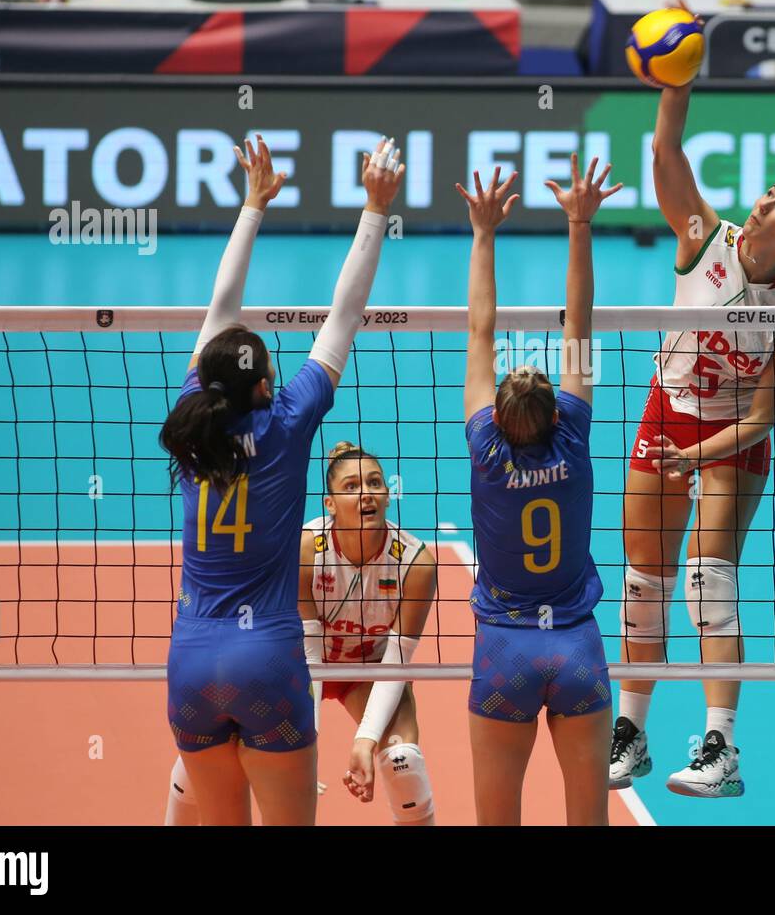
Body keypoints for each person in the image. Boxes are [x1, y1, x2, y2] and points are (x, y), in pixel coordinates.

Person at [611, 0, 775, 798]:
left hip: (733, 439)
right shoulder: (701, 236)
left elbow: (764, 414)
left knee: (710, 580)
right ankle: (630, 732)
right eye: (769, 192)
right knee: (644, 581)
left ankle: (720, 747)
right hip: (664, 413)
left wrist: (696, 456)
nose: (764, 204)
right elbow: (666, 147)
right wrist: (679, 77)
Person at [160, 134, 402, 826]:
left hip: (193, 664)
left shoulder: (189, 421)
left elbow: (219, 308)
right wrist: (375, 209)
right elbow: (344, 316)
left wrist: (252, 205)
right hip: (266, 657)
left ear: (206, 379)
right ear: (268, 385)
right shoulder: (288, 424)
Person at [460, 155, 623, 826]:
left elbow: (479, 330)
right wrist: (579, 225)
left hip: (505, 650)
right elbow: (577, 327)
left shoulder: (486, 449)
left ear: (496, 418)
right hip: (578, 648)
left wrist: (484, 232)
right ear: (558, 415)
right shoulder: (575, 438)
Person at [165, 441, 440, 827]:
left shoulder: (416, 563)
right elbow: (310, 657)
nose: (366, 493)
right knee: (203, 760)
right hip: (291, 669)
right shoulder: (306, 551)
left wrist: (366, 739)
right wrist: (303, 753)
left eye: (375, 483)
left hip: (367, 672)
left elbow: (396, 661)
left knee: (403, 764)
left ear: (387, 494)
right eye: (351, 487)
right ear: (329, 504)